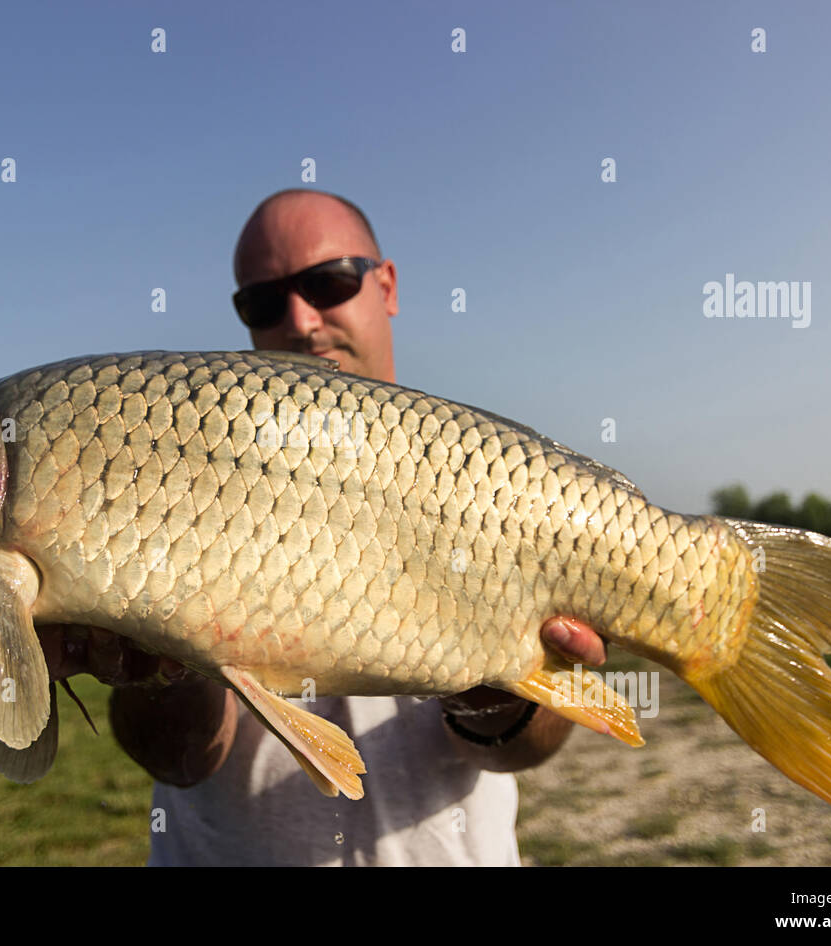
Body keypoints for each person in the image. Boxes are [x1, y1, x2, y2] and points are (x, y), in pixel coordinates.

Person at [55, 190, 608, 865]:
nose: (301, 319)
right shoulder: (182, 463)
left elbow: (528, 748)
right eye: (262, 301)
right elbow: (179, 760)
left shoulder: (496, 480)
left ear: (388, 284)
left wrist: (496, 694)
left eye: (328, 282)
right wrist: (162, 661)